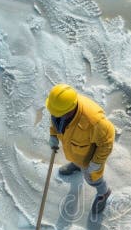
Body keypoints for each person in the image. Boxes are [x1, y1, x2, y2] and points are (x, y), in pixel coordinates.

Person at [45, 83, 114, 215]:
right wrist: (53, 135)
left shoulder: (93, 121)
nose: (55, 115)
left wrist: (97, 162)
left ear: (70, 110)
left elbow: (107, 141)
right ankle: (77, 165)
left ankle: (103, 193)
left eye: (58, 113)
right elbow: (55, 121)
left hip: (90, 159)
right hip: (76, 152)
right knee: (76, 158)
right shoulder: (60, 108)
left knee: (93, 179)